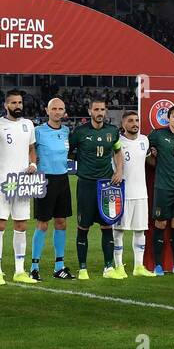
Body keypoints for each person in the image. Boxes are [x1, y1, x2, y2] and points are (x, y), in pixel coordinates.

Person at [0, 90, 38, 285]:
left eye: (20, 103)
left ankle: (19, 270)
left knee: (21, 225)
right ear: (5, 105)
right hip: (2, 181)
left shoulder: (28, 125)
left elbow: (32, 149)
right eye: (14, 103)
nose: (18, 106)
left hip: (23, 183)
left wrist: (33, 164)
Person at [68, 98, 122, 279]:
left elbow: (117, 151)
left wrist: (119, 170)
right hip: (86, 184)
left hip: (106, 185)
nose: (100, 113)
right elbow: (68, 151)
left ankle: (109, 268)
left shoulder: (112, 132)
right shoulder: (79, 132)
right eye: (96, 109)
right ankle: (82, 268)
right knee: (83, 226)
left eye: (103, 109)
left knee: (107, 225)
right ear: (90, 111)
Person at [146, 106, 174, 276]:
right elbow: (145, 154)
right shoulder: (158, 135)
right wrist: (152, 157)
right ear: (168, 118)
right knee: (160, 224)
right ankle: (158, 265)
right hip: (162, 187)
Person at [30, 97, 72, 281]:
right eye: (53, 108)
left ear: (64, 112)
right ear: (47, 111)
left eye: (60, 109)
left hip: (63, 179)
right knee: (43, 223)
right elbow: (29, 150)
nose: (57, 111)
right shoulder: (38, 131)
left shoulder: (66, 131)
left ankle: (59, 266)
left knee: (62, 222)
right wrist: (31, 164)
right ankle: (34, 267)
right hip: (44, 180)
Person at [111, 111, 154, 277]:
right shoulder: (118, 142)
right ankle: (119, 266)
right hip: (122, 193)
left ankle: (138, 267)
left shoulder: (145, 140)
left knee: (140, 230)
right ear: (123, 124)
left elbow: (147, 160)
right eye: (130, 121)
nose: (135, 123)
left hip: (141, 193)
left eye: (136, 120)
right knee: (119, 231)